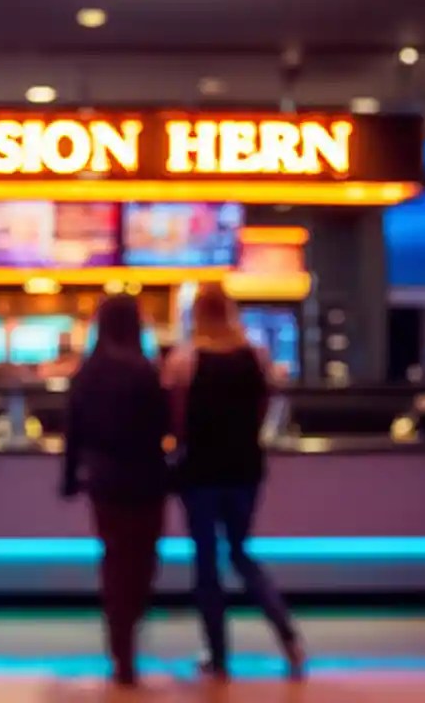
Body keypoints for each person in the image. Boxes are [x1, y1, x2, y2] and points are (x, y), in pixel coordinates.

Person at [162, 282, 305, 682]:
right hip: (245, 470)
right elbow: (263, 408)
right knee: (242, 555)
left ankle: (218, 656)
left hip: (200, 474)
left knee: (207, 565)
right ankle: (289, 639)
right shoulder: (255, 356)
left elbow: (176, 422)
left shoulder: (185, 359)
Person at [61, 294, 170, 688]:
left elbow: (74, 431)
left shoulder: (88, 373)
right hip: (146, 480)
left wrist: (70, 478)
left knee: (114, 561)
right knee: (141, 563)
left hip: (104, 482)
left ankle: (120, 647)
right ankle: (130, 633)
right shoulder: (146, 372)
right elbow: (164, 428)